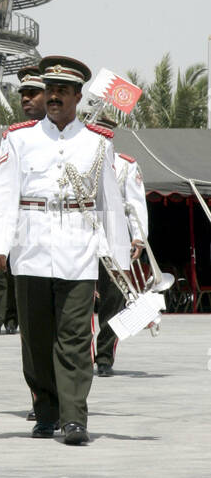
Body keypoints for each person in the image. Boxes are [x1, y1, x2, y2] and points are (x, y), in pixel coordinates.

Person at [0, 56, 131, 445]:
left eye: (61, 92)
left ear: (78, 97)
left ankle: (73, 418)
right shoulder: (19, 138)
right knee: (36, 338)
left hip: (79, 250)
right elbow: (4, 194)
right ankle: (46, 413)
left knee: (73, 337)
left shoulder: (98, 143)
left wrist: (118, 255)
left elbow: (110, 201)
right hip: (30, 247)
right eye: (49, 90)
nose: (52, 97)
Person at [0, 68, 47, 335]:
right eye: (23, 94)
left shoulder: (85, 139)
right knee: (10, 284)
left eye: (33, 93)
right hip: (20, 234)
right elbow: (1, 196)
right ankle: (1, 319)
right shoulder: (16, 137)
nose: (25, 99)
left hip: (65, 241)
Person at [91, 113, 150, 377]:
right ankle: (80, 356)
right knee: (75, 300)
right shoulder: (77, 160)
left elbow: (136, 204)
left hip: (115, 241)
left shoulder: (125, 165)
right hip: (81, 239)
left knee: (113, 302)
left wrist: (138, 237)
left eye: (105, 133)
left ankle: (104, 357)